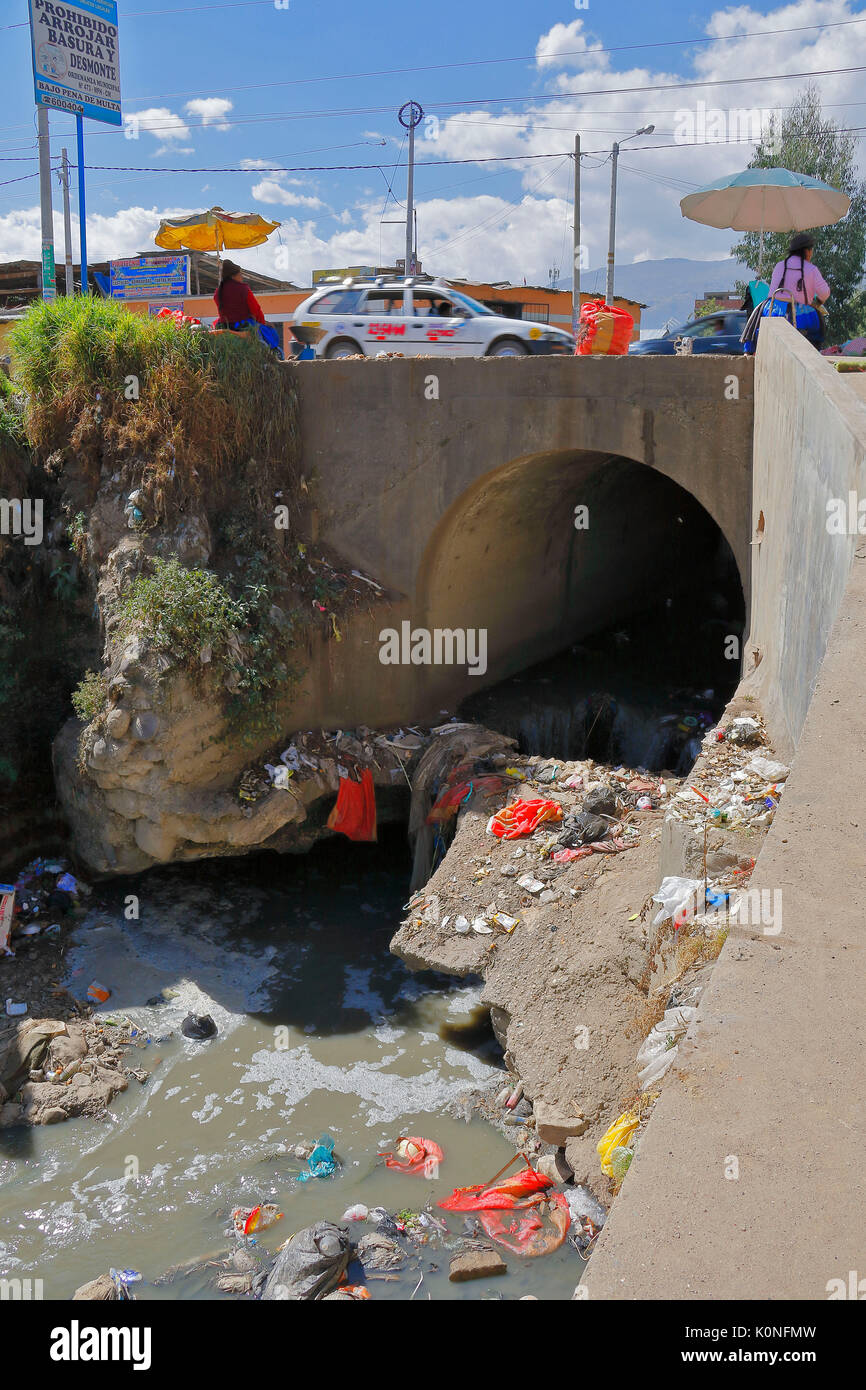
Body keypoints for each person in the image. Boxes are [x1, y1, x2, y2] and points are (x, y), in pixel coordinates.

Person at [213, 260, 283, 356]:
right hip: (244, 326)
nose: (242, 277)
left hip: (224, 326)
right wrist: (264, 323)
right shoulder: (243, 288)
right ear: (233, 276)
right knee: (271, 332)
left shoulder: (217, 292)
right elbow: (256, 310)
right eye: (240, 274)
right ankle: (272, 353)